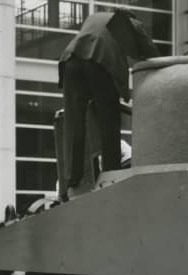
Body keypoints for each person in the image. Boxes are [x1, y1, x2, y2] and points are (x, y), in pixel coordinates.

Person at [58, 9, 158, 200]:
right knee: (109, 126)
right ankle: (111, 176)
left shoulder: (94, 17)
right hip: (100, 62)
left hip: (70, 60)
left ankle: (72, 181)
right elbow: (151, 53)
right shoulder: (127, 21)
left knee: (74, 124)